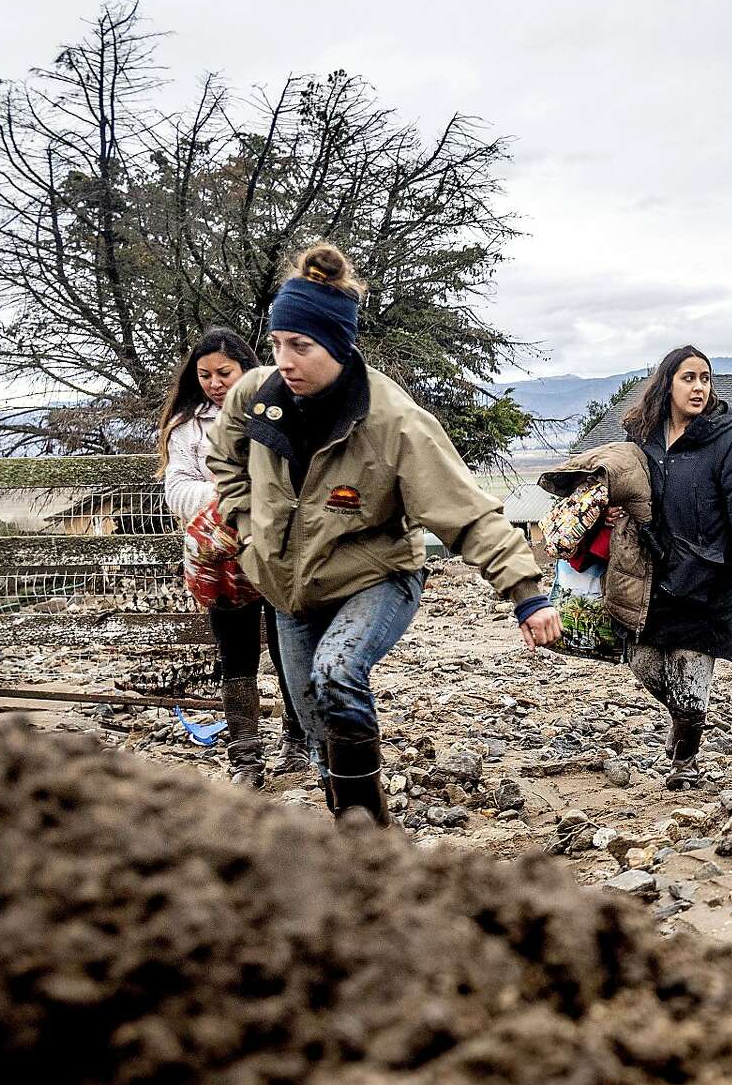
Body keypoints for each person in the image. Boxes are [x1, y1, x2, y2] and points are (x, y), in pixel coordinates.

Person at [207, 241, 560, 825]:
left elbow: (465, 512)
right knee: (318, 719)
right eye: (275, 344)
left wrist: (526, 595)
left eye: (300, 346)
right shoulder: (256, 396)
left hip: (377, 577)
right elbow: (223, 456)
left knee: (337, 674)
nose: (284, 359)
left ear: (339, 347)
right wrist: (245, 521)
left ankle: (370, 833)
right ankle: (351, 837)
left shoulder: (393, 422)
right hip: (289, 589)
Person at [157, 326, 310, 785]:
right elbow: (177, 486)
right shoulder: (188, 428)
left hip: (281, 550)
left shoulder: (282, 411)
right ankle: (245, 755)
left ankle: (298, 741)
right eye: (205, 375)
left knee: (290, 647)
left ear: (246, 369)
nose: (214, 383)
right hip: (220, 553)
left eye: (224, 372)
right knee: (235, 651)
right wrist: (235, 497)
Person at [618, 345, 732, 788]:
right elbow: (626, 488)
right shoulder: (643, 437)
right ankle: (685, 721)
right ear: (668, 383)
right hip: (654, 574)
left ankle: (684, 764)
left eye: (705, 378)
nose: (699, 387)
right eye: (689, 378)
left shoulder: (725, 441)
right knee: (643, 663)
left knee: (689, 680)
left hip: (708, 579)